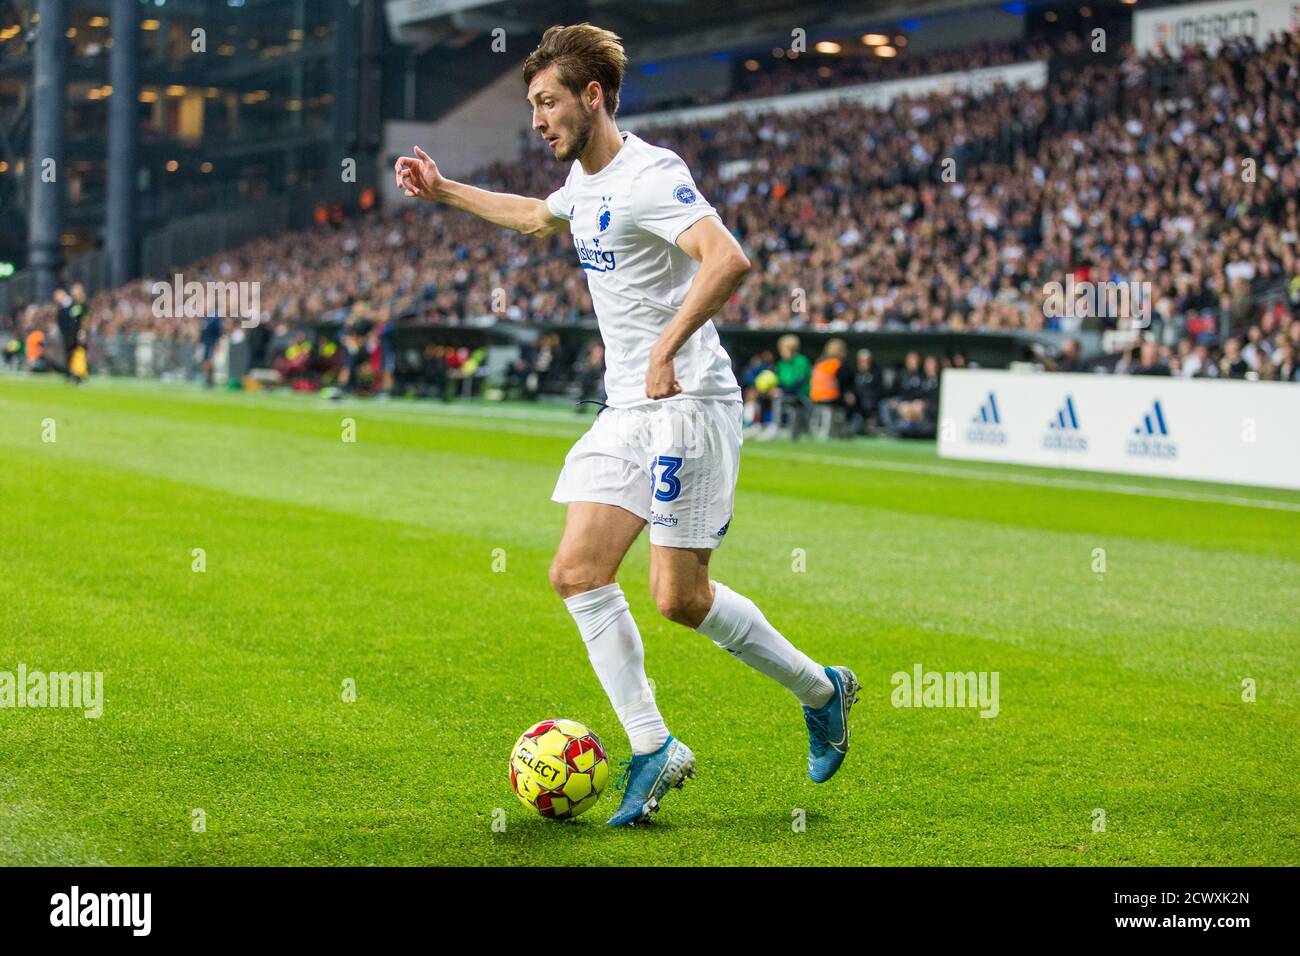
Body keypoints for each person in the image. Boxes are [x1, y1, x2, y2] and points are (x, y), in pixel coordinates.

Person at [395, 22, 859, 828]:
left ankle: (823, 690)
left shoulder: (651, 174)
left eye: (547, 103)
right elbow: (541, 217)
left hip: (688, 405)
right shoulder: (582, 183)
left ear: (592, 97)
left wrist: (667, 348)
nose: (537, 120)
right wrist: (446, 191)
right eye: (532, 105)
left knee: (679, 599)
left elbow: (728, 259)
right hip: (627, 409)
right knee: (576, 572)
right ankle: (653, 748)